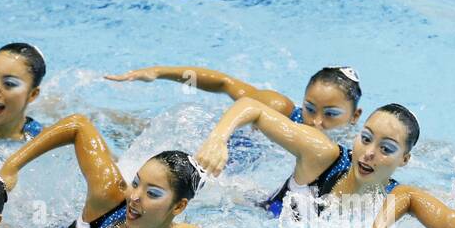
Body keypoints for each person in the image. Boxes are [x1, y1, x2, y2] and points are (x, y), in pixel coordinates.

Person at [0, 114, 200, 228]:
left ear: (179, 207)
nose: (135, 197)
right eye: (136, 183)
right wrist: (11, 166)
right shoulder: (110, 196)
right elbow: (78, 125)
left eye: (152, 193)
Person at [196, 98, 418, 218]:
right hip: (250, 212)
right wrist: (218, 139)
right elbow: (253, 107)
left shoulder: (393, 200)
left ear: (404, 159)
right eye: (366, 138)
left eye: (386, 149)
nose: (369, 152)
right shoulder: (323, 155)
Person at [106, 64, 363, 136]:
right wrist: (159, 73)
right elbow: (224, 84)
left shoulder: (358, 151)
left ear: (354, 117)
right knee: (124, 129)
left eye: (330, 114)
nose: (316, 122)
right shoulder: (279, 109)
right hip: (199, 138)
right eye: (310, 109)